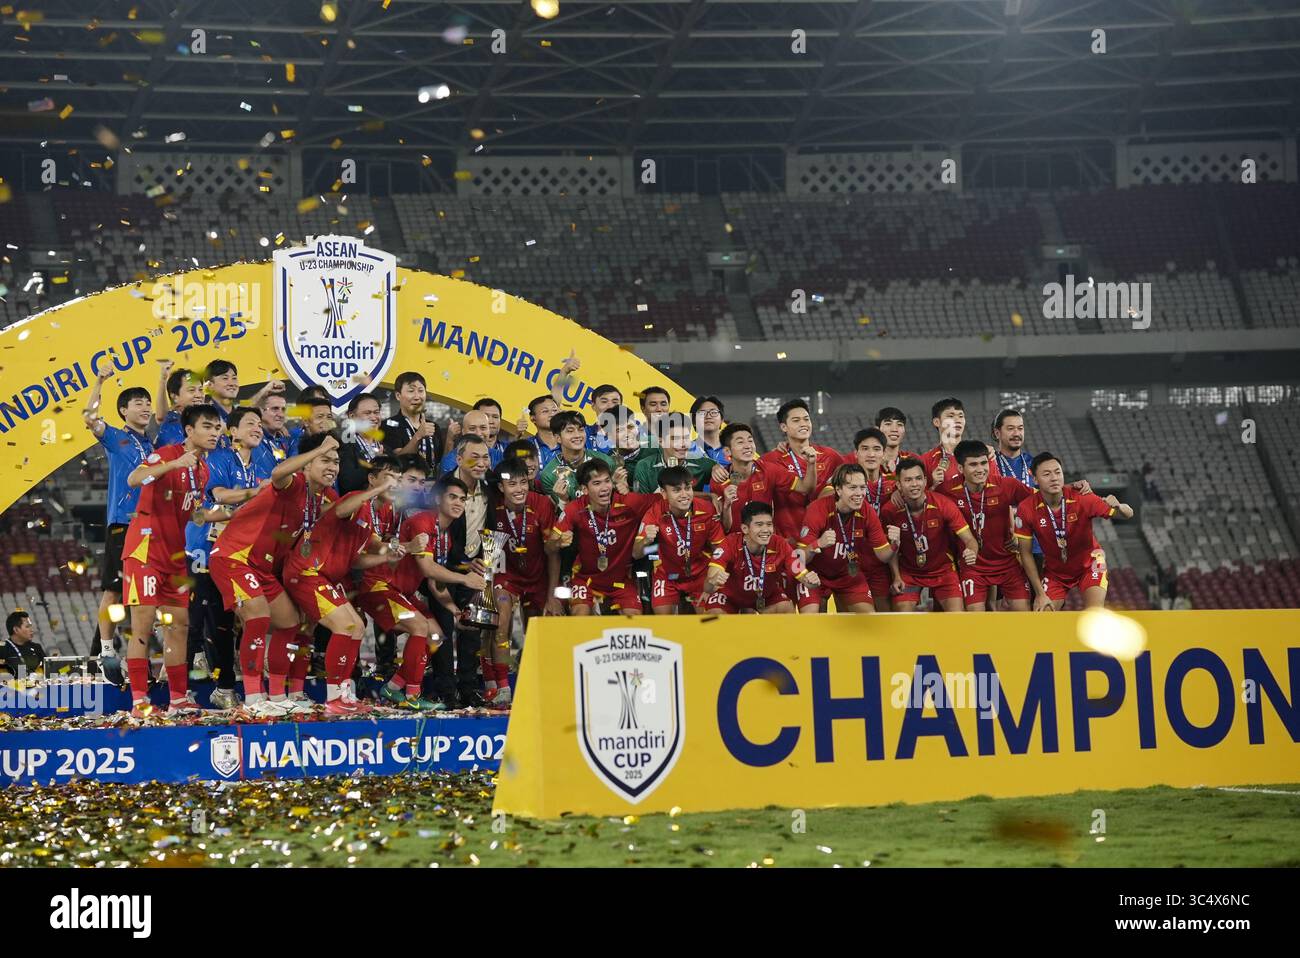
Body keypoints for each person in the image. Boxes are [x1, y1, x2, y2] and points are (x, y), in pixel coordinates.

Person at [209, 433, 340, 717]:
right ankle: (255, 697)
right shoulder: (295, 483)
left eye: (336, 461)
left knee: (290, 622)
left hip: (262, 568)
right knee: (257, 616)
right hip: (234, 556)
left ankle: (278, 695)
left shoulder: (320, 499)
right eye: (325, 460)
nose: (332, 466)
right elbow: (278, 472)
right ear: (306, 465)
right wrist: (321, 446)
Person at [284, 457, 420, 714]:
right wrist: (379, 490)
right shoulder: (357, 498)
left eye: (397, 479)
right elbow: (340, 510)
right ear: (373, 479)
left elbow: (358, 559)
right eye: (389, 476)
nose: (394, 484)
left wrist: (387, 555)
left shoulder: (370, 515)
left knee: (357, 626)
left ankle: (344, 694)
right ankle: (332, 697)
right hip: (306, 571)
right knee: (343, 626)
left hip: (324, 578)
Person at [120, 404, 224, 714]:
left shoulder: (203, 469)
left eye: (217, 428)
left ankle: (178, 698)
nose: (215, 432)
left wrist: (235, 509)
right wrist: (174, 463)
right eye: (208, 426)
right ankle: (140, 699)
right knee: (143, 624)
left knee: (179, 625)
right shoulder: (168, 453)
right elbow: (135, 479)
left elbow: (193, 513)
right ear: (189, 430)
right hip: (146, 550)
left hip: (175, 555)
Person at [356, 458, 474, 711]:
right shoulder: (422, 522)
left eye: (462, 499)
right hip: (379, 586)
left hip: (400, 592)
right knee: (420, 626)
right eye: (452, 497)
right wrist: (466, 578)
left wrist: (453, 608)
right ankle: (412, 695)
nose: (458, 503)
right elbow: (428, 567)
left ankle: (394, 687)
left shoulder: (445, 536)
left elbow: (433, 581)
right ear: (437, 500)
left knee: (436, 635)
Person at [186, 406, 271, 705]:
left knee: (234, 621)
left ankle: (230, 685)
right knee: (202, 619)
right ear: (232, 431)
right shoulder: (220, 458)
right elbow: (218, 495)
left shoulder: (260, 462)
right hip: (204, 548)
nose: (258, 428)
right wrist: (254, 493)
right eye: (250, 423)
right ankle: (188, 689)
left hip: (238, 550)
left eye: (260, 424)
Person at [82, 365, 154, 678]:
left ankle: (140, 655)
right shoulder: (115, 438)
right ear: (124, 411)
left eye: (148, 402)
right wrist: (99, 381)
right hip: (123, 524)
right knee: (114, 590)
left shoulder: (152, 446)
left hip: (151, 529)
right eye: (138, 403)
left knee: (142, 594)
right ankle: (106, 651)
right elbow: (88, 417)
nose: (146, 407)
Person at [483, 457, 563, 704]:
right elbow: (489, 551)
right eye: (512, 484)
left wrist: (552, 595)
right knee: (501, 625)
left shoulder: (542, 504)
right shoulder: (491, 506)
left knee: (540, 632)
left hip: (538, 577)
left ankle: (544, 685)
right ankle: (504, 687)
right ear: (500, 488)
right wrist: (488, 588)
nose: (518, 489)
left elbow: (553, 553)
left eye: (523, 483)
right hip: (507, 576)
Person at [1015, 452, 1134, 611]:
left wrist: (1120, 506)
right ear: (1035, 479)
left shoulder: (1083, 497)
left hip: (1090, 565)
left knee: (1093, 614)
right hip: (1055, 573)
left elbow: (1127, 514)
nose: (1054, 478)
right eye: (1047, 474)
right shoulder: (1027, 508)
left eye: (1058, 472)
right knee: (1043, 615)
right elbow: (1025, 553)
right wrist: (1040, 593)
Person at [548, 459, 659, 616]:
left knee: (635, 623)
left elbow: (665, 499)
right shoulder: (575, 509)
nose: (605, 488)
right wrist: (558, 542)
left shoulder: (630, 502)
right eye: (597, 483)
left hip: (621, 582)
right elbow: (549, 548)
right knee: (579, 617)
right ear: (584, 489)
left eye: (607, 481)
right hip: (585, 581)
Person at [939, 440, 1038, 612]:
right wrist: (897, 492)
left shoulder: (1006, 485)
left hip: (1007, 562)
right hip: (972, 566)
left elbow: (1041, 500)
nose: (980, 469)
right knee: (977, 622)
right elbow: (922, 500)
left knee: (1024, 615)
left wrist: (1073, 488)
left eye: (984, 463)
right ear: (961, 469)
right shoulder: (947, 490)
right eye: (973, 464)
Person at [879, 458, 980, 613]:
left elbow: (970, 540)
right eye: (908, 480)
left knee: (957, 617)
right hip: (909, 572)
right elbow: (891, 548)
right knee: (901, 617)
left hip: (943, 570)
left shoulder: (943, 504)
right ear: (898, 485)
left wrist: (971, 551)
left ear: (925, 481)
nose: (914, 484)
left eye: (919, 479)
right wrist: (896, 576)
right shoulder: (889, 511)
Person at [795, 463, 894, 613]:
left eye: (862, 487)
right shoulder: (818, 509)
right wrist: (818, 544)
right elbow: (798, 558)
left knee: (869, 618)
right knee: (812, 621)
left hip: (848, 575)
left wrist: (894, 544)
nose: (859, 493)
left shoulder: (866, 510)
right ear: (838, 490)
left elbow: (883, 555)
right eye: (852, 488)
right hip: (815, 575)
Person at [634, 466, 727, 615]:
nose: (685, 495)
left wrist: (715, 575)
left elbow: (720, 549)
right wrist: (645, 540)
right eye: (677, 490)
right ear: (664, 493)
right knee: (663, 620)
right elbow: (636, 553)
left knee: (714, 617)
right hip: (667, 575)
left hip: (700, 574)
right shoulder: (655, 511)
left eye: (688, 488)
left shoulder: (707, 509)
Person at [702, 501, 818, 614]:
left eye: (769, 524)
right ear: (745, 528)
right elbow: (708, 587)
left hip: (766, 597)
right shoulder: (729, 544)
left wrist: (810, 580)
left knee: (785, 608)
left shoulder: (780, 544)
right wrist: (713, 580)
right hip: (732, 599)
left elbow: (800, 572)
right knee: (714, 613)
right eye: (759, 525)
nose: (766, 530)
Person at [759, 399, 840, 542]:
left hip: (825, 539)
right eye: (796, 420)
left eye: (806, 419)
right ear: (784, 427)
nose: (803, 424)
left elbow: (853, 476)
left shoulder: (830, 456)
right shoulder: (770, 460)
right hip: (788, 540)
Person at [835, 427, 897, 611]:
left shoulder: (894, 486)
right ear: (856, 453)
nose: (871, 454)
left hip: (881, 562)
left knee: (883, 620)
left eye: (877, 449)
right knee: (847, 621)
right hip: (849, 562)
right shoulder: (844, 486)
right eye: (865, 449)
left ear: (884, 453)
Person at [711, 422, 793, 534]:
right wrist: (727, 506)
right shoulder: (719, 480)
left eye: (750, 441)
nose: (747, 445)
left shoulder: (768, 470)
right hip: (734, 546)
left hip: (764, 541)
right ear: (727, 451)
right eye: (740, 442)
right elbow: (724, 529)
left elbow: (805, 487)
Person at [921, 397, 1001, 491]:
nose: (957, 420)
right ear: (937, 422)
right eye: (951, 416)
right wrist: (934, 486)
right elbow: (920, 502)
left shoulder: (982, 454)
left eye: (961, 416)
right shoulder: (926, 461)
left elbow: (997, 489)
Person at [538, 411, 617, 505]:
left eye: (581, 430)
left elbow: (615, 500)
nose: (577, 435)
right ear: (558, 438)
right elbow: (560, 515)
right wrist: (563, 500)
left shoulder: (605, 461)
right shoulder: (549, 475)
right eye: (570, 431)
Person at [632, 412, 713, 493]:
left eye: (686, 438)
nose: (683, 444)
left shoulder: (703, 464)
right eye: (675, 439)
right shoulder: (644, 468)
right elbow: (641, 502)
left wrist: (717, 468)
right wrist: (707, 496)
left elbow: (724, 481)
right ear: (661, 441)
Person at [382, 371, 446, 469]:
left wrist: (450, 439)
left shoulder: (433, 426)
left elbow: (440, 462)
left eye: (421, 391)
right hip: (403, 483)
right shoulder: (389, 425)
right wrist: (418, 436)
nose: (417, 397)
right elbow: (398, 460)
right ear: (398, 396)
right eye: (411, 391)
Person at [338, 392, 385, 494]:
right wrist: (374, 464)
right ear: (352, 416)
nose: (373, 417)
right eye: (367, 413)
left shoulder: (386, 448)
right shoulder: (344, 447)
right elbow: (348, 484)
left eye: (376, 412)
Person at [153, 361, 205, 447]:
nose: (199, 395)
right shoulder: (172, 427)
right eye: (191, 390)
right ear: (175, 397)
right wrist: (162, 381)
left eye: (200, 390)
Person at [439, 409, 504, 474]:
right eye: (472, 429)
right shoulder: (450, 461)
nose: (478, 433)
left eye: (483, 428)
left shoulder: (500, 456)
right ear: (463, 432)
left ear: (489, 430)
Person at [252, 390, 303, 474]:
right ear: (261, 410)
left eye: (283, 409)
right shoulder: (251, 437)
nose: (281, 414)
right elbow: (241, 412)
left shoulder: (285, 441)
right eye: (275, 409)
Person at [513, 395, 562, 469]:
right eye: (545, 411)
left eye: (555, 410)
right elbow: (511, 457)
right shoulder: (527, 447)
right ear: (533, 419)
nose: (552, 414)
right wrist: (517, 436)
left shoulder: (569, 443)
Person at [1, 611, 46, 677]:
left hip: (36, 686)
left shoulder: (36, 647)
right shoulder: (2, 649)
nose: (32, 630)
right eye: (27, 626)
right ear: (16, 630)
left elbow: (49, 670)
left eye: (31, 626)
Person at [688, 396, 728, 466]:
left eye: (714, 412)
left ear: (722, 420)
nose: (708, 416)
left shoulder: (733, 450)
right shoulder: (686, 451)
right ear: (694, 421)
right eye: (702, 413)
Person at [874, 407, 910, 477]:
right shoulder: (867, 460)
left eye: (899, 424)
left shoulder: (912, 460)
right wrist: (894, 476)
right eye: (888, 424)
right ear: (877, 430)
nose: (894, 429)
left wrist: (894, 473)